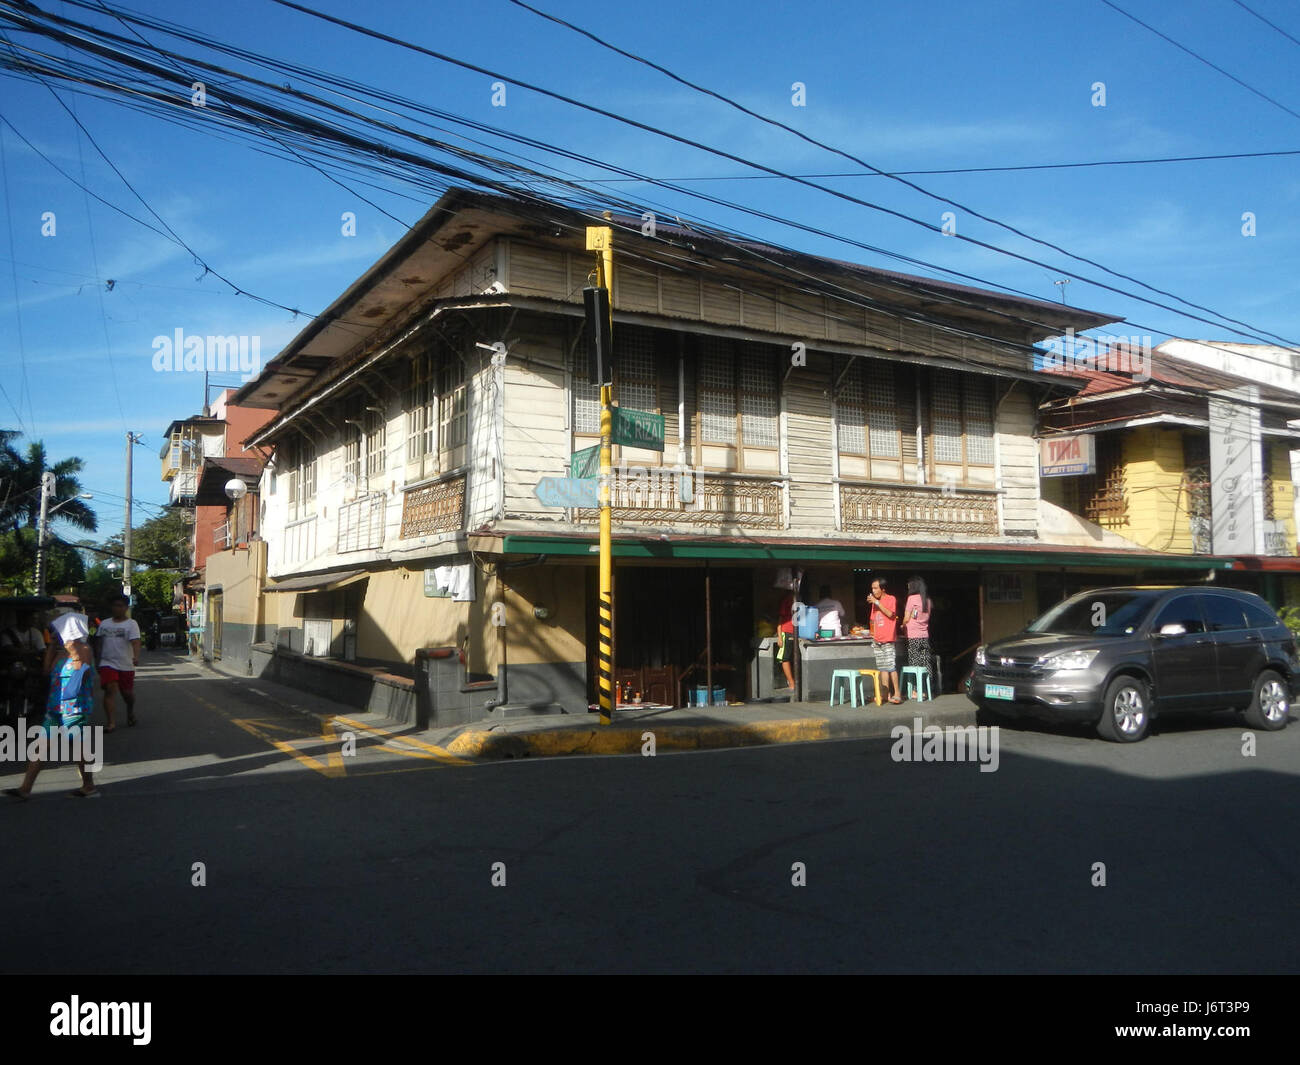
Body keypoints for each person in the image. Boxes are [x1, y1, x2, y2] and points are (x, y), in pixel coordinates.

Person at [5, 608, 99, 799]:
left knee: (78, 747)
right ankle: (25, 788)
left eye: (59, 631)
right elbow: (47, 672)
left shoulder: (84, 649)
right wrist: (51, 647)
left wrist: (73, 653)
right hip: (55, 707)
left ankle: (88, 785)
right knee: (41, 746)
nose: (56, 634)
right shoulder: (59, 653)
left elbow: (83, 674)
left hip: (75, 708)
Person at [97, 594, 141, 730]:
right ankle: (111, 723)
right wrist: (97, 660)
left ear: (126, 608)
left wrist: (136, 656)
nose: (117, 608)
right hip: (107, 662)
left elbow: (136, 642)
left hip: (125, 664)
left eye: (120, 606)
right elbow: (98, 642)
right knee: (110, 690)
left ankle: (130, 711)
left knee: (127, 693)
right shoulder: (104, 623)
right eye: (115, 605)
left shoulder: (131, 624)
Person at [867, 576, 901, 704]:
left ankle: (897, 693)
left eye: (876, 588)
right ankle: (886, 693)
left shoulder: (891, 599)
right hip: (877, 639)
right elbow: (873, 620)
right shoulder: (874, 604)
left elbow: (891, 614)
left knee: (891, 666)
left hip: (888, 639)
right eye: (872, 588)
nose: (873, 591)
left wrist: (876, 602)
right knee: (882, 668)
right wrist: (872, 633)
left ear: (883, 589)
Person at [904, 576, 934, 692]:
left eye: (909, 585)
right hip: (924, 635)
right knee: (925, 663)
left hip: (913, 635)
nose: (907, 587)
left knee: (914, 663)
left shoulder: (912, 598)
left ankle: (916, 690)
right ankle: (927, 690)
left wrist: (902, 624)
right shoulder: (928, 600)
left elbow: (907, 618)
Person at [776, 590, 796, 691]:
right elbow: (780, 620)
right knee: (785, 658)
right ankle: (791, 682)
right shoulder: (786, 601)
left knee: (793, 658)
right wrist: (780, 636)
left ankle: (794, 681)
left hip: (797, 633)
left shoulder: (798, 601)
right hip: (786, 632)